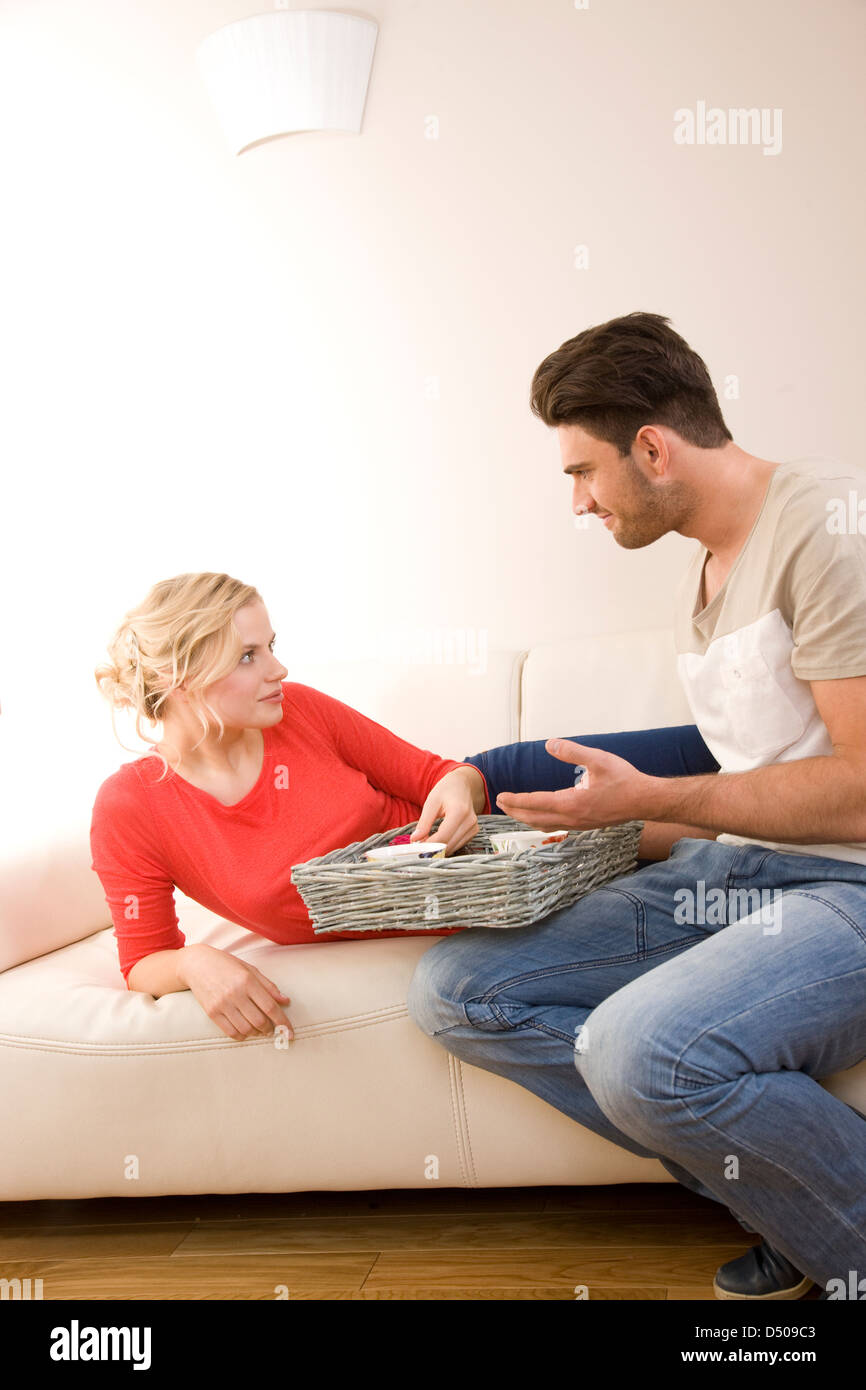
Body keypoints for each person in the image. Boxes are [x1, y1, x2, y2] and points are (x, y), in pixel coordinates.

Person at [406, 310, 866, 1302]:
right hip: (742, 872)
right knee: (455, 989)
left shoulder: (825, 525)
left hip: (849, 888)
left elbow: (860, 787)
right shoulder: (702, 575)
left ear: (650, 448)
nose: (576, 502)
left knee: (638, 1052)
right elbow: (745, 767)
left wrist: (656, 800)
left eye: (580, 471)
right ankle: (789, 1201)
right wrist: (543, 799)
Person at [90, 572, 714, 1044]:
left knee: (722, 748)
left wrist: (458, 789)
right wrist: (197, 961)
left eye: (271, 646)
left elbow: (433, 773)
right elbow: (143, 961)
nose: (279, 668)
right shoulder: (133, 806)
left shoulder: (300, 711)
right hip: (506, 886)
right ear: (179, 678)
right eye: (248, 657)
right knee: (709, 841)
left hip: (510, 803)